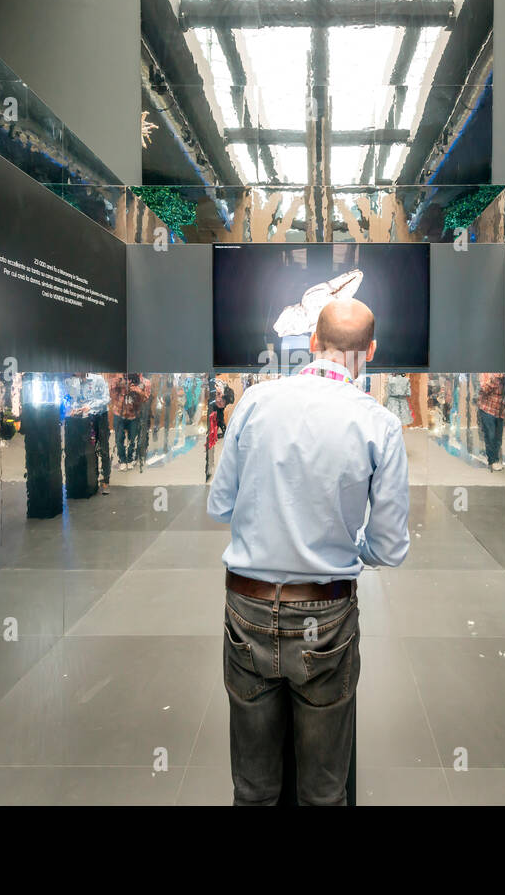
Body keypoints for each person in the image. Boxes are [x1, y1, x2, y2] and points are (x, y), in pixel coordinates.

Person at [207, 298, 410, 806]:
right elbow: (389, 546)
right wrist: (348, 545)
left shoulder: (255, 402)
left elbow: (219, 505)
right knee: (324, 791)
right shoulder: (379, 424)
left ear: (313, 343)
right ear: (372, 351)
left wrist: (268, 520)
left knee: (253, 789)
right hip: (327, 616)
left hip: (247, 609)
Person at [109, 372, 151, 470]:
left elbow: (146, 398)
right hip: (119, 413)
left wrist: (138, 391)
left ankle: (130, 459)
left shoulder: (145, 382)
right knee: (119, 438)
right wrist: (121, 381)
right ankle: (122, 460)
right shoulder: (121, 377)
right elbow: (111, 392)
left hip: (134, 415)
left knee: (133, 439)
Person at [476, 373, 505, 471]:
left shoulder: (504, 374)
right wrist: (496, 378)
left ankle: (496, 458)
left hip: (500, 410)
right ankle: (492, 460)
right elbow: (483, 390)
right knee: (490, 435)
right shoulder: (486, 373)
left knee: (498, 438)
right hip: (487, 409)